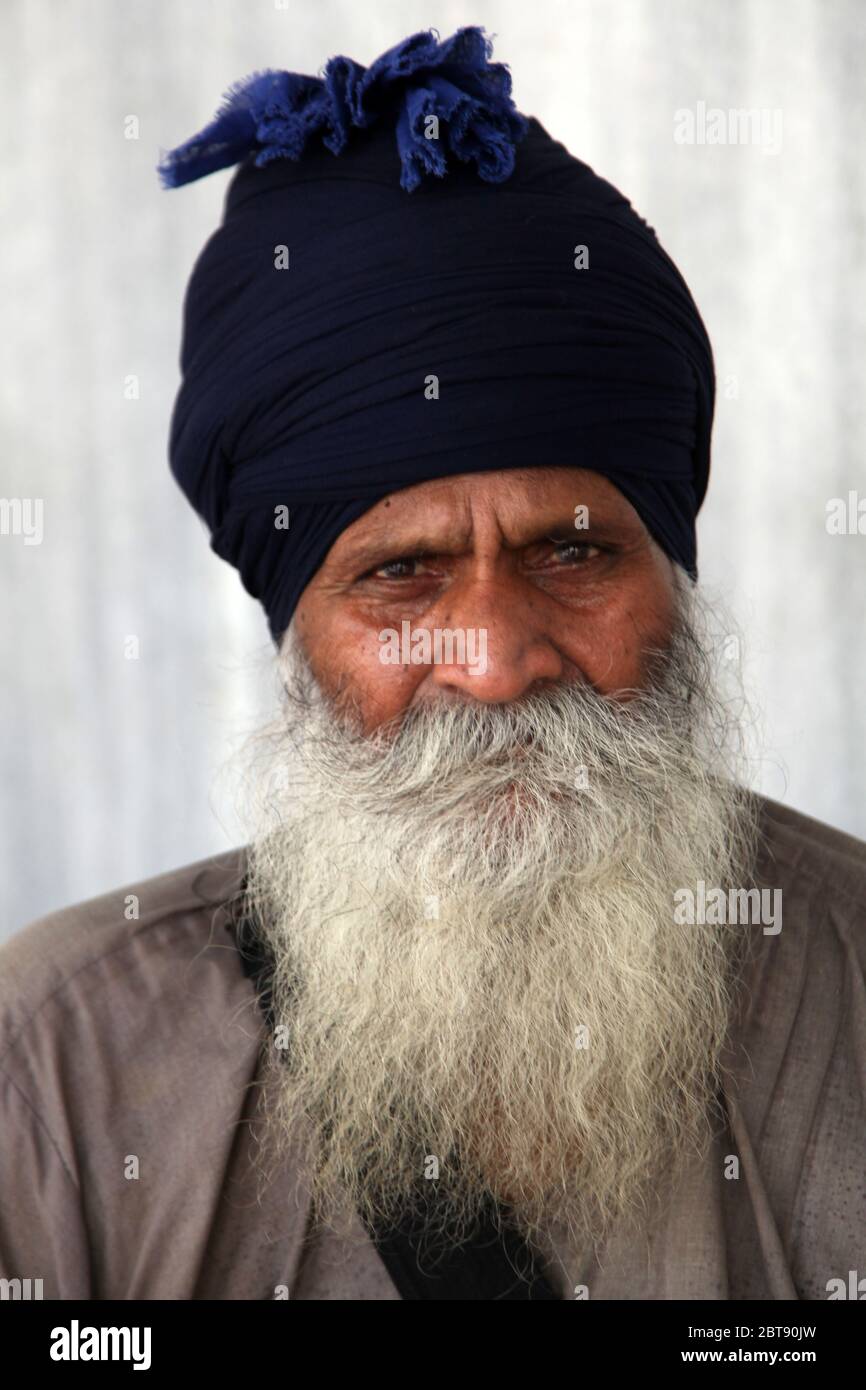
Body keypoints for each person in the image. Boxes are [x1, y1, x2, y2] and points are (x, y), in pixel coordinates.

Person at [1, 27, 864, 1301]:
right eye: (400, 574)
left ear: (672, 583)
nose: (496, 659)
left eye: (570, 555)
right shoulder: (56, 1060)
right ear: (295, 634)